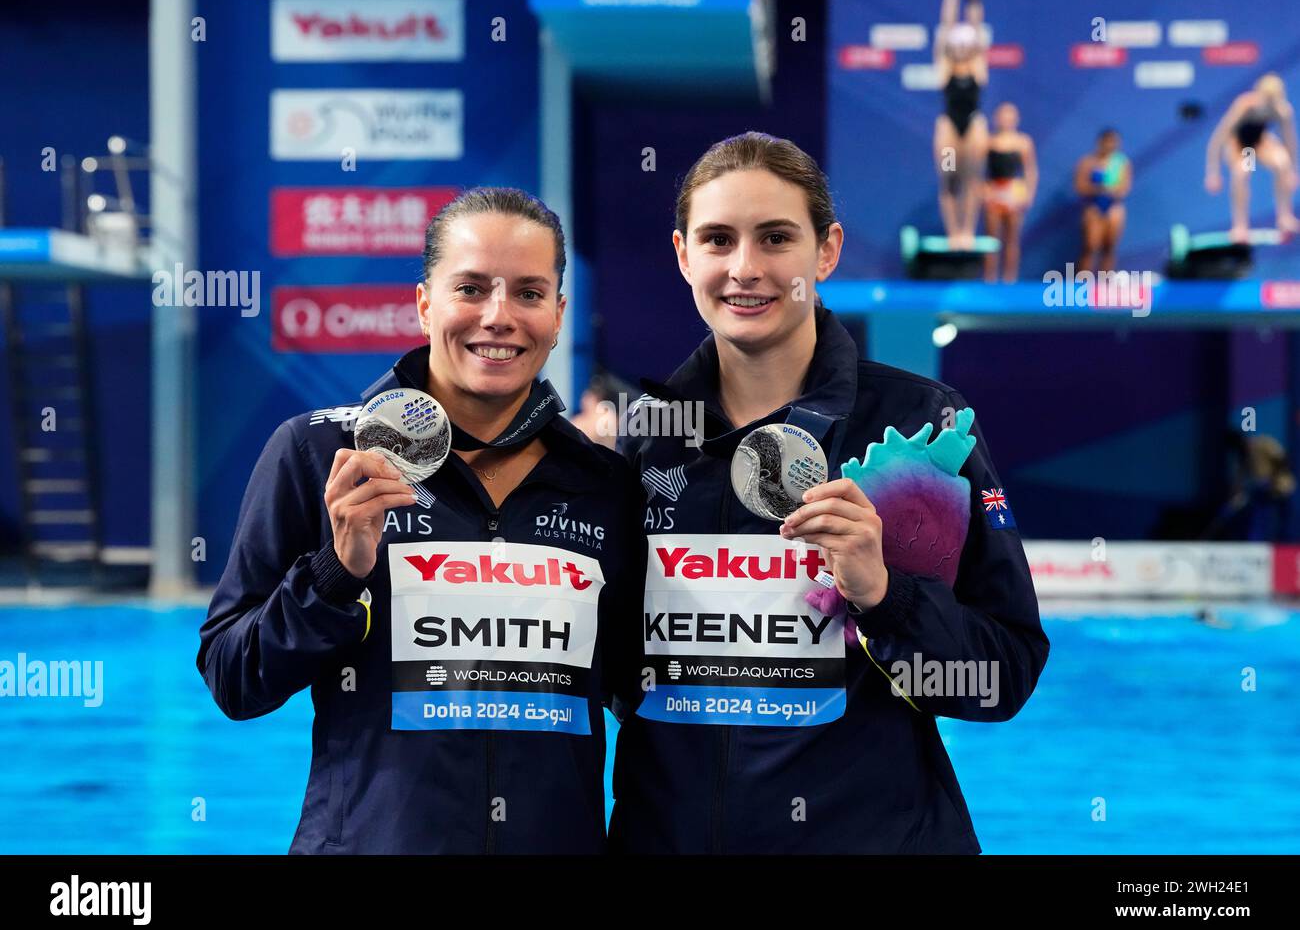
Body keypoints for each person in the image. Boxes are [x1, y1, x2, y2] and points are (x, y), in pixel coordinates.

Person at [608, 132, 1049, 853]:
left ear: (826, 250)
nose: (744, 269)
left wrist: (886, 596)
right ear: (685, 255)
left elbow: (1002, 677)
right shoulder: (650, 436)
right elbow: (615, 671)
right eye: (718, 240)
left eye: (775, 238)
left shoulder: (921, 426)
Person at [198, 187, 646, 854]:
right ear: (424, 302)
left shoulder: (605, 486)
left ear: (557, 314)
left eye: (528, 293)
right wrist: (334, 574)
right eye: (470, 288)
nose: (498, 317)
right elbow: (235, 679)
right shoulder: (319, 453)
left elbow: (648, 696)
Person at [1205, 73, 1300, 243]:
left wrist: (1293, 171)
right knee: (1243, 172)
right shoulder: (1245, 106)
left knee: (1281, 162)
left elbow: (1290, 142)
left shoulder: (1282, 111)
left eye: (1274, 99)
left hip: (1260, 141)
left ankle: (1284, 216)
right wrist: (1213, 172)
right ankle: (1240, 226)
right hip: (1243, 145)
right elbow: (1219, 138)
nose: (1270, 103)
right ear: (1259, 95)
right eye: (1267, 98)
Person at [934, 0, 989, 249]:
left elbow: (977, 29)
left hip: (974, 123)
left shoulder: (979, 65)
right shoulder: (945, 67)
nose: (962, 47)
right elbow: (945, 28)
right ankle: (952, 232)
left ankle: (967, 231)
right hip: (949, 125)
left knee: (972, 179)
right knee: (948, 179)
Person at [982, 102, 1037, 282]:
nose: (1006, 120)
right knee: (992, 240)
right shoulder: (988, 142)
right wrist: (983, 190)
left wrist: (1028, 194)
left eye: (1010, 116)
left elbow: (1031, 171)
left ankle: (1009, 281)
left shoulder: (1023, 142)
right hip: (994, 191)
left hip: (1014, 191)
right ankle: (990, 279)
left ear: (1016, 119)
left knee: (1012, 239)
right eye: (1003, 116)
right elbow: (975, 169)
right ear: (996, 119)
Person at [1074, 128, 1131, 273]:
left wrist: (1110, 190)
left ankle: (1105, 285)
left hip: (1113, 207)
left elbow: (1124, 188)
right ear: (1100, 142)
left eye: (1114, 142)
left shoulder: (1122, 163)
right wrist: (1098, 189)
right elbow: (1080, 186)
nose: (1110, 145)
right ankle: (1082, 285)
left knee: (1109, 247)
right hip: (1093, 206)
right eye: (1108, 142)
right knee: (1090, 246)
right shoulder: (1088, 162)